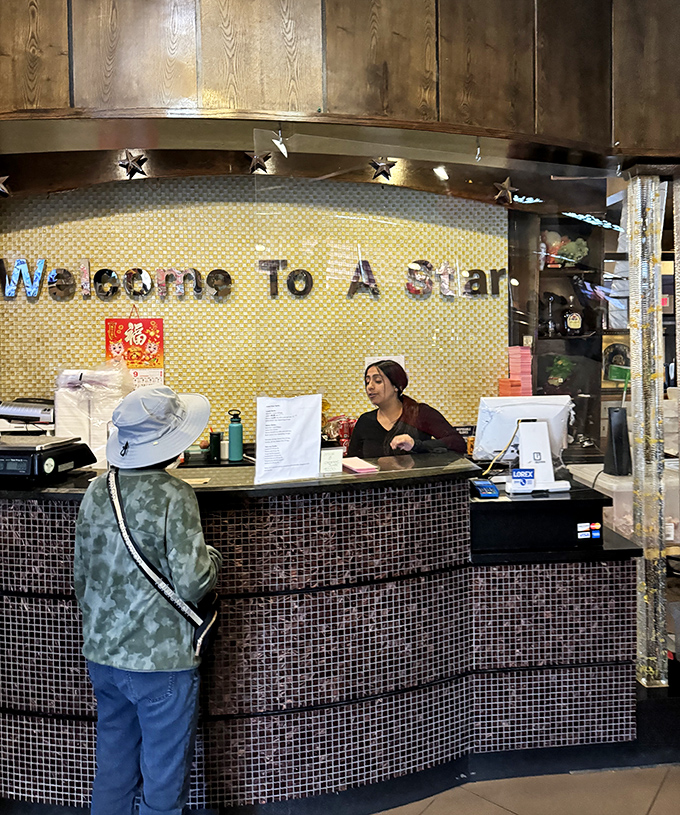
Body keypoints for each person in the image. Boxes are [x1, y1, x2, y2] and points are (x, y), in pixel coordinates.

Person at [74, 385, 223, 815]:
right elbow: (194, 583)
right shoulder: (175, 496)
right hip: (162, 666)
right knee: (162, 780)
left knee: (114, 771)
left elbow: (80, 578)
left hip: (103, 657)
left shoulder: (95, 490)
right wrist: (213, 556)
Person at [346, 359, 466, 458]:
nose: (370, 387)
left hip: (416, 485)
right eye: (367, 382)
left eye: (378, 381)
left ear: (396, 386)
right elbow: (352, 460)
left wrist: (416, 445)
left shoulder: (420, 413)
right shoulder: (365, 421)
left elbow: (458, 443)